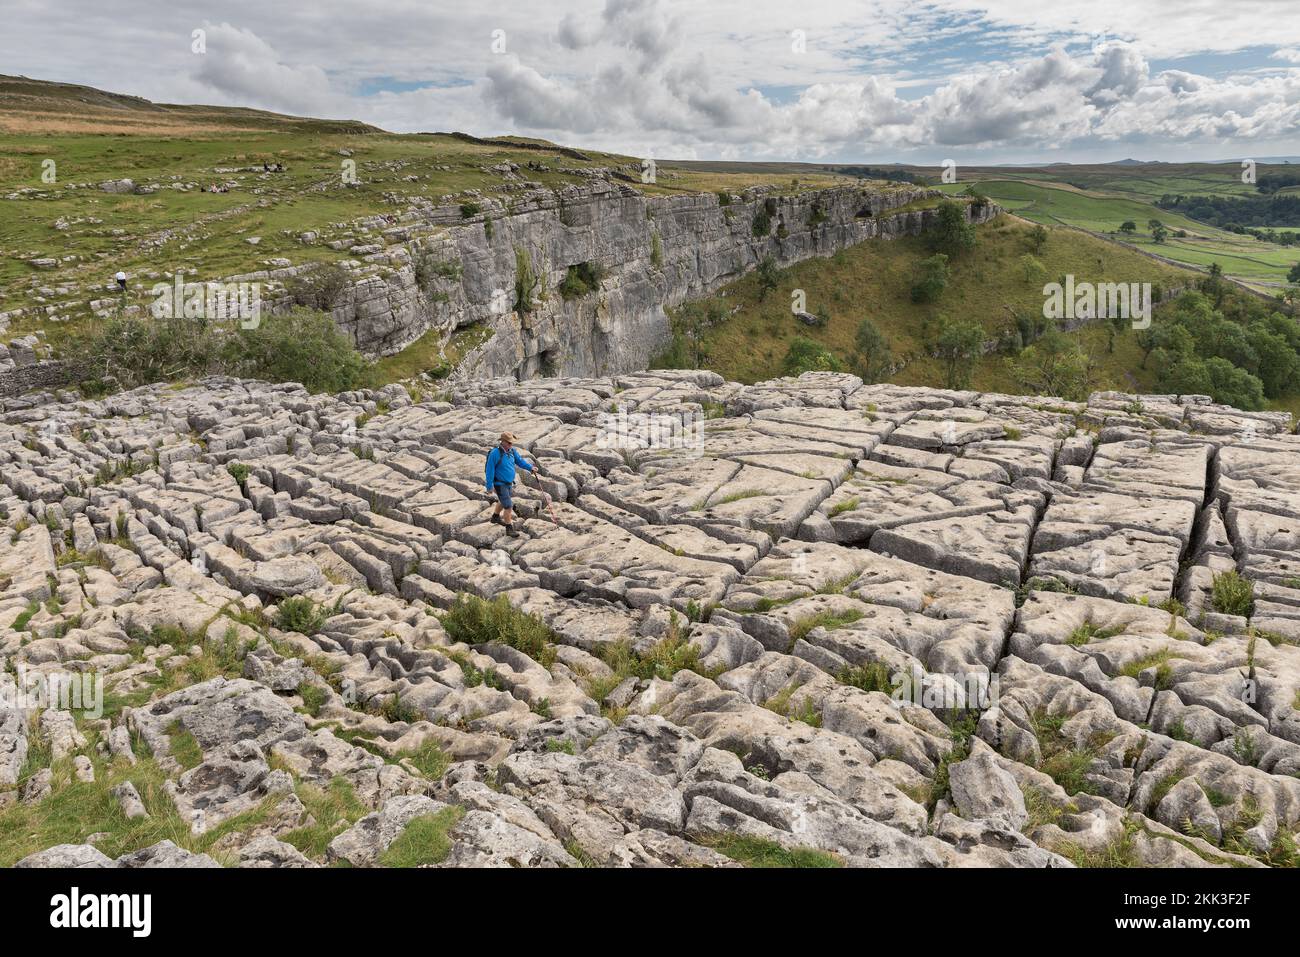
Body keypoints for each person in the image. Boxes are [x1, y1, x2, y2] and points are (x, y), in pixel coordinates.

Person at [484, 432, 538, 536]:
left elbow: (520, 461)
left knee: (502, 500)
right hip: (499, 484)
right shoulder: (495, 453)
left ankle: (495, 517)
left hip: (509, 483)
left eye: (512, 443)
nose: (511, 445)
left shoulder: (512, 451)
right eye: (509, 443)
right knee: (508, 506)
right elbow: (489, 470)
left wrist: (530, 468)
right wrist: (489, 486)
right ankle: (509, 529)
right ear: (502, 441)